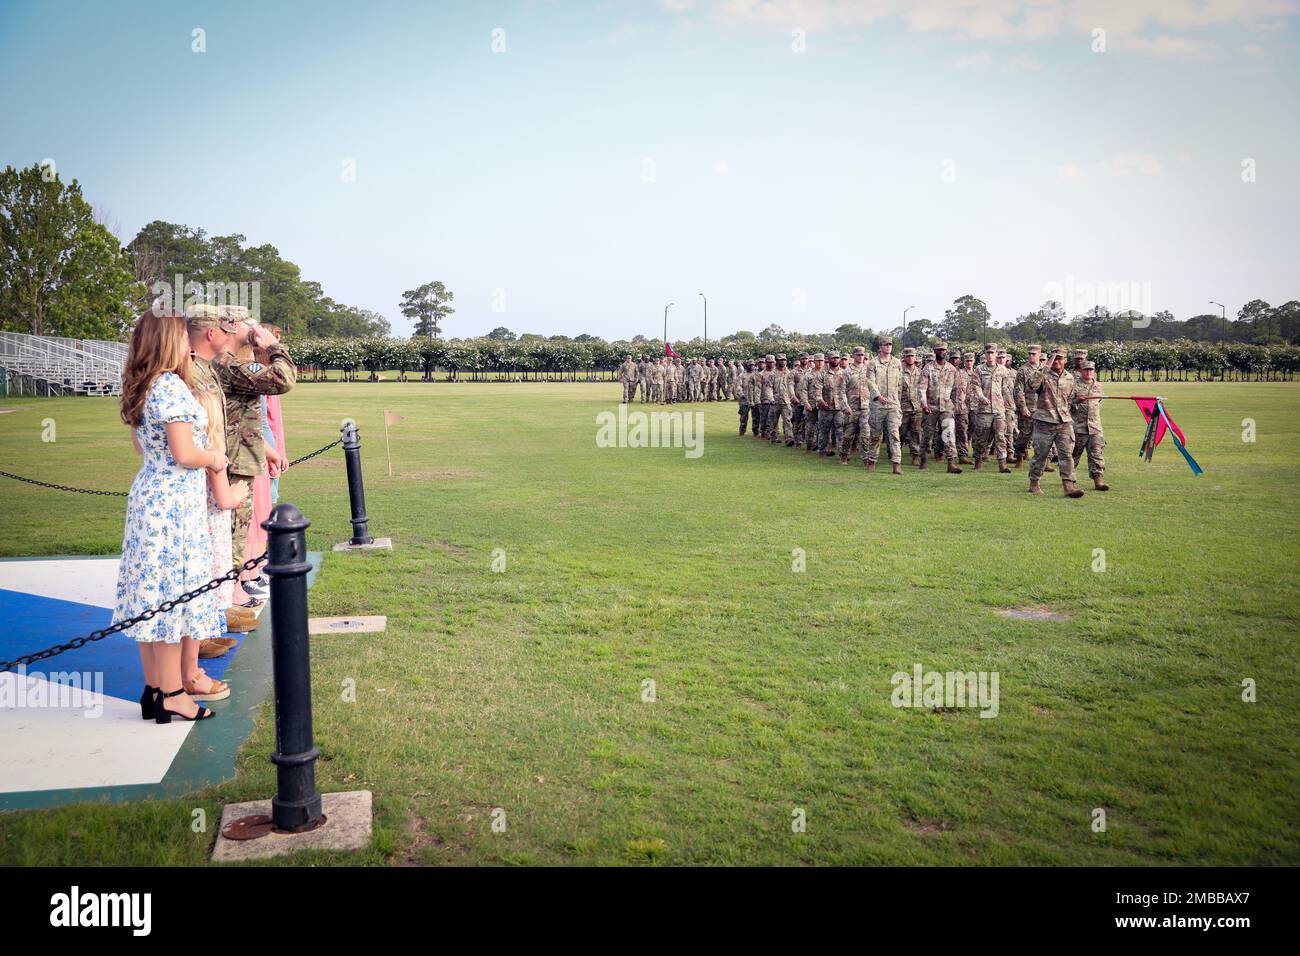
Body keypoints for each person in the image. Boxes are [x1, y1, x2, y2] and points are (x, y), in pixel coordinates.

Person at [113, 310, 224, 722]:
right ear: (168, 342)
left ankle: (155, 690)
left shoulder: (142, 386)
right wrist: (214, 456)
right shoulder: (173, 387)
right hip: (174, 505)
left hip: (149, 495)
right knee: (173, 599)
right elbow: (185, 454)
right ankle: (175, 694)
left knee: (151, 599)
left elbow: (144, 449)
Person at [218, 318, 297, 582]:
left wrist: (269, 449)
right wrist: (275, 346)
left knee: (238, 526)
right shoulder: (231, 366)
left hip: (241, 453)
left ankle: (238, 583)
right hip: (232, 459)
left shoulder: (230, 364)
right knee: (234, 528)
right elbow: (283, 379)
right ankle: (236, 587)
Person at [1024, 347, 1084, 497]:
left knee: (1066, 455)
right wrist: (1045, 366)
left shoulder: (1070, 378)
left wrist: (1077, 400)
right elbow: (1031, 387)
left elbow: (1069, 401)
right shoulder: (1043, 374)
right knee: (1041, 455)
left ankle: (1069, 486)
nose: (1057, 361)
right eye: (1054, 358)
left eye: (1060, 358)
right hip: (1044, 421)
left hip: (1064, 422)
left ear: (1065, 360)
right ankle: (1034, 482)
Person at [921, 341, 962, 473]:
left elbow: (956, 390)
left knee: (948, 434)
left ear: (946, 351)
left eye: (943, 350)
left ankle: (951, 463)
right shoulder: (928, 368)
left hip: (946, 407)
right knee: (927, 435)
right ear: (934, 351)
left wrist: (954, 406)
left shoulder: (951, 369)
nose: (941, 352)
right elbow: (921, 388)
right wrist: (924, 404)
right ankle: (923, 459)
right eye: (938, 350)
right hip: (931, 407)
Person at [865, 337, 904, 474]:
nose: (888, 347)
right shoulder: (873, 363)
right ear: (880, 347)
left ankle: (896, 463)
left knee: (894, 434)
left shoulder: (897, 363)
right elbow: (870, 381)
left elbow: (900, 384)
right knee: (875, 435)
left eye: (890, 344)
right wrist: (878, 395)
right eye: (885, 345)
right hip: (878, 405)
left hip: (893, 405)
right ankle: (871, 460)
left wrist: (897, 402)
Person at [1070, 361, 1109, 490]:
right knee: (1074, 455)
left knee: (1096, 454)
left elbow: (1099, 404)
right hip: (1078, 427)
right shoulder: (1073, 386)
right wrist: (1076, 401)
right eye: (1086, 370)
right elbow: (1065, 404)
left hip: (1095, 427)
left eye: (1091, 370)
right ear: (1081, 371)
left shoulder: (1098, 386)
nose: (1089, 372)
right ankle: (1069, 479)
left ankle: (1098, 480)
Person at [899, 348, 923, 465]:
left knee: (916, 432)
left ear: (915, 357)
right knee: (900, 433)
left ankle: (916, 456)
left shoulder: (920, 372)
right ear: (904, 358)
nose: (910, 358)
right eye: (908, 356)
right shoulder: (899, 372)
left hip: (917, 407)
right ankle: (895, 453)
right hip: (902, 407)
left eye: (912, 356)